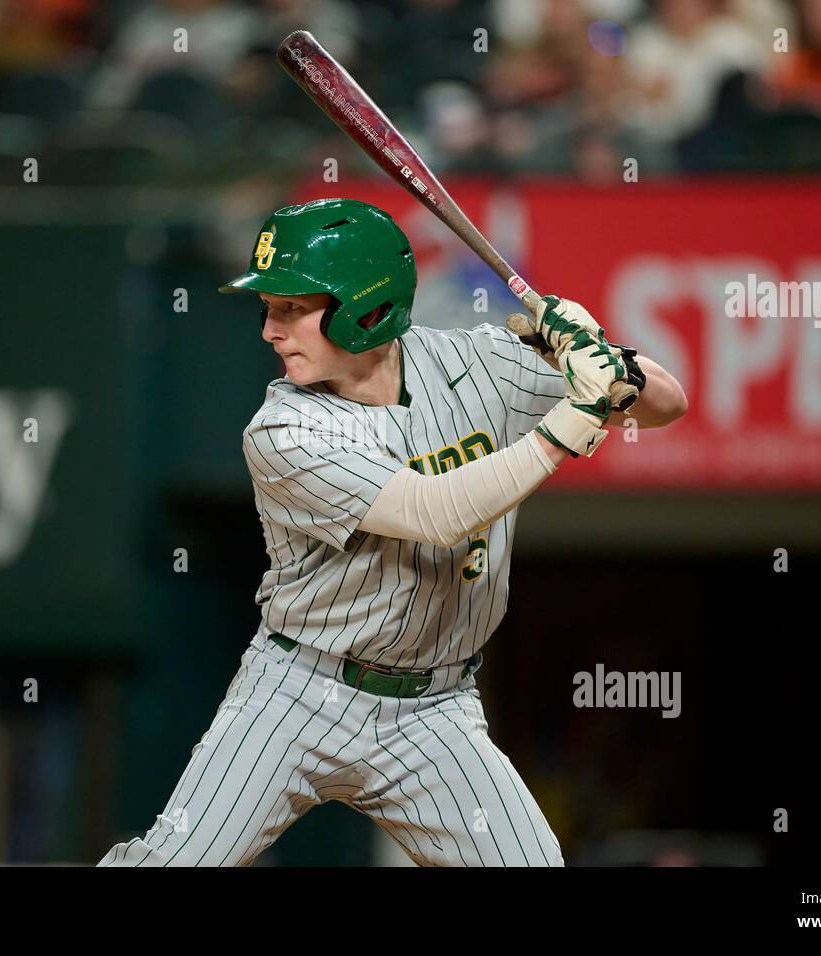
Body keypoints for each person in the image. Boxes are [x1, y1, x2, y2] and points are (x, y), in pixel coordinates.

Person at [98, 198, 687, 866]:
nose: (270, 329)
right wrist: (566, 427)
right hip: (297, 692)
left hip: (434, 710)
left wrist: (598, 353)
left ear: (365, 307)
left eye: (292, 307)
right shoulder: (283, 431)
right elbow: (436, 516)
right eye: (270, 307)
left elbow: (669, 403)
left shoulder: (480, 365)